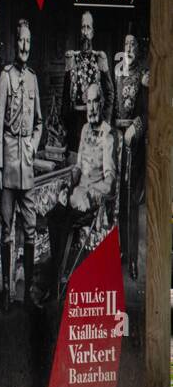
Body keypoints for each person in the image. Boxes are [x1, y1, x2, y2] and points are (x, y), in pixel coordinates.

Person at [0, 19, 44, 309]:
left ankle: (27, 298)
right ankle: (7, 295)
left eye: (28, 41)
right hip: (9, 166)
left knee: (31, 228)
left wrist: (34, 144)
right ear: (15, 43)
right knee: (6, 229)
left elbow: (39, 122)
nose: (24, 46)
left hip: (27, 167)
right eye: (21, 41)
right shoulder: (6, 77)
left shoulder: (33, 79)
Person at [49, 81, 115, 290]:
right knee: (53, 215)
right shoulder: (85, 129)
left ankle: (58, 278)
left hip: (91, 202)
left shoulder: (108, 136)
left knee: (65, 220)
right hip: (76, 194)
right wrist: (66, 186)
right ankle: (56, 271)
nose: (92, 108)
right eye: (89, 102)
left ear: (101, 104)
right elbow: (78, 167)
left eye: (96, 102)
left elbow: (110, 182)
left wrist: (92, 193)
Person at [112, 34, 147, 280]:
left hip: (134, 145)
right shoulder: (117, 74)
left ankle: (133, 259)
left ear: (138, 48)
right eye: (126, 44)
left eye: (133, 45)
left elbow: (146, 112)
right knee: (119, 199)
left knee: (132, 202)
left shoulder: (144, 76)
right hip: (117, 142)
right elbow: (113, 107)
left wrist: (135, 129)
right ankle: (122, 251)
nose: (129, 49)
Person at [64, 10, 109, 145]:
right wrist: (64, 126)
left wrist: (106, 121)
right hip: (75, 124)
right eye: (83, 27)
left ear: (92, 33)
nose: (85, 32)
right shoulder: (72, 58)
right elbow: (65, 96)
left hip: (95, 122)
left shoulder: (99, 58)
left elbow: (110, 93)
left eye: (88, 27)